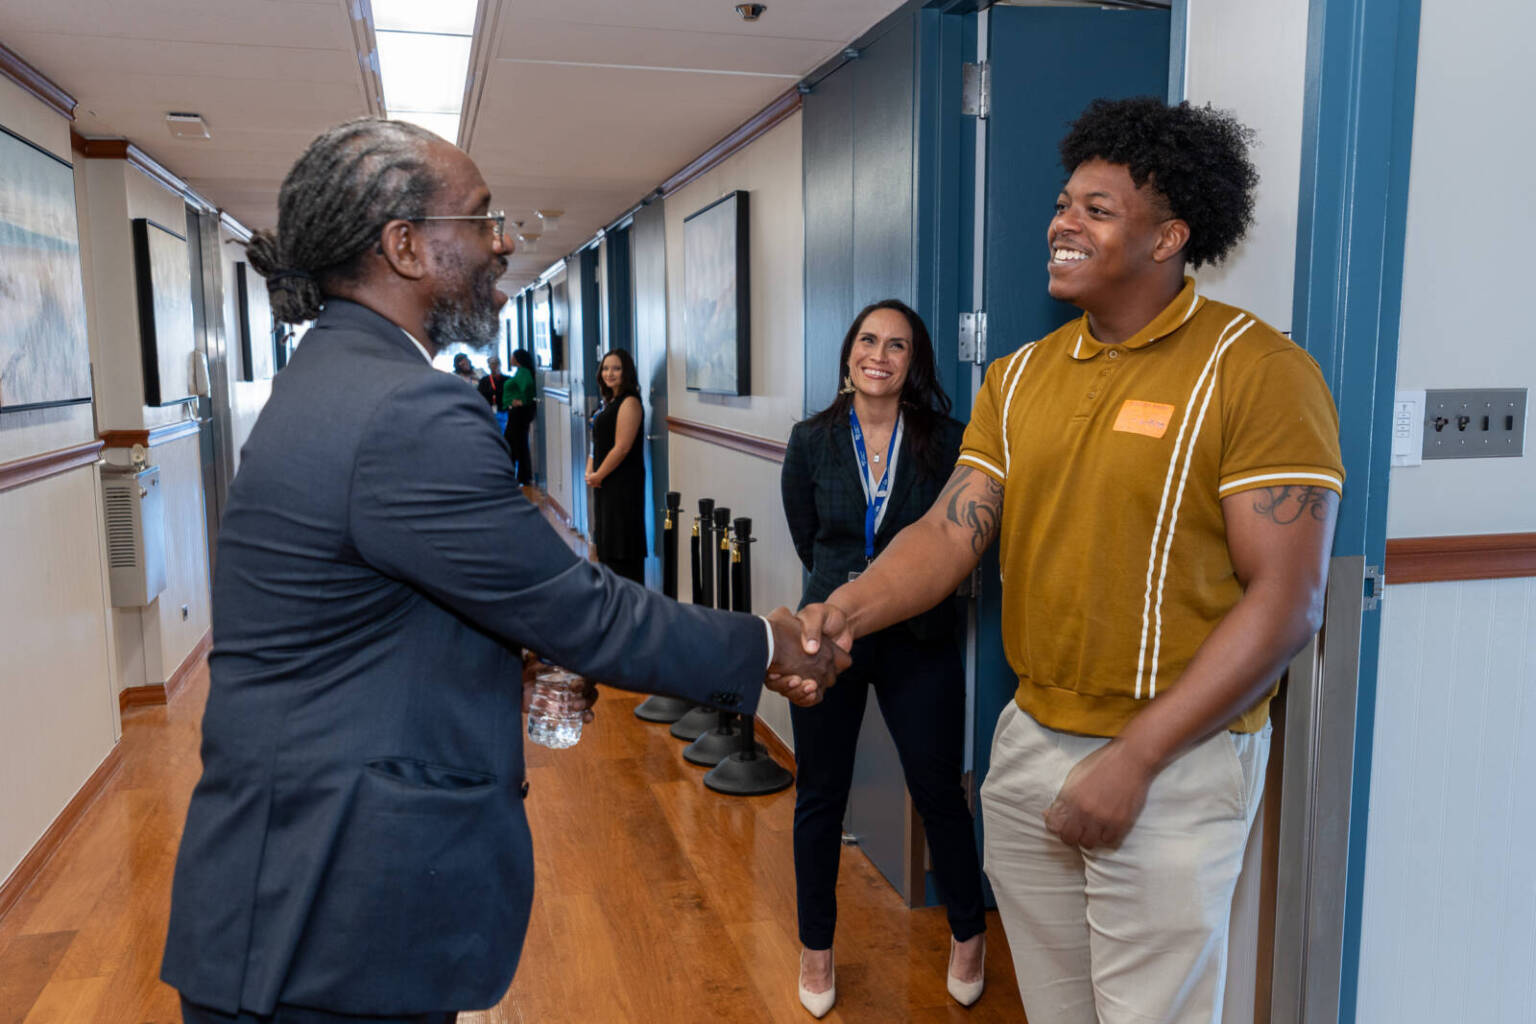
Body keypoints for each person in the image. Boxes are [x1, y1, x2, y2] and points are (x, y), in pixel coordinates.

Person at [160, 117, 844, 1024]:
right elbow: (580, 611)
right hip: (324, 922)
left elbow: (362, 609)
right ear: (405, 246)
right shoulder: (405, 407)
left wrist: (494, 654)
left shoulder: (332, 375)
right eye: (481, 220)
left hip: (293, 902)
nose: (505, 240)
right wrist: (768, 641)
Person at [793, 98, 1345, 1023]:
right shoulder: (1019, 378)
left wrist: (1136, 758)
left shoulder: (1259, 371)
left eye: (1096, 207)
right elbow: (945, 534)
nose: (1062, 222)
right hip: (1032, 749)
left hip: (1176, 762)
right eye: (1063, 202)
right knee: (1055, 1010)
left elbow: (1288, 600)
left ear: (1169, 235)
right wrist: (839, 614)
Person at [780, 300, 986, 1017]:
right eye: (868, 340)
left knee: (936, 791)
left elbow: (955, 539)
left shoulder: (948, 441)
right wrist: (845, 593)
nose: (880, 354)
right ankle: (816, 948)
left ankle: (968, 933)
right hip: (827, 639)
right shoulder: (811, 440)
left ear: (914, 363)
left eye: (897, 345)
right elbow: (810, 538)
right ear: (848, 354)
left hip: (920, 637)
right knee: (819, 796)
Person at [584, 349, 647, 584]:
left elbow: (622, 447)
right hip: (604, 481)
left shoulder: (629, 403)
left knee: (622, 542)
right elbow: (596, 441)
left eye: (617, 368)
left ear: (627, 372)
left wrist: (599, 473)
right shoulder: (608, 402)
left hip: (622, 483)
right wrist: (590, 471)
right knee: (606, 541)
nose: (610, 373)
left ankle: (629, 604)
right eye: (606, 368)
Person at [502, 348, 537, 486]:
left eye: (512, 357)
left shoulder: (523, 372)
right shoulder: (520, 372)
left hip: (519, 413)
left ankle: (512, 475)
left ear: (518, 359)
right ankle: (521, 476)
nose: (511, 359)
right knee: (519, 443)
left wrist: (522, 401)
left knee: (512, 442)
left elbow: (527, 386)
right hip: (517, 412)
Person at [476, 354, 509, 424]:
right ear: (489, 366)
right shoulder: (484, 381)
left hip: (504, 411)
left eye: (497, 363)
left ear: (500, 364)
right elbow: (480, 397)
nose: (495, 366)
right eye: (492, 364)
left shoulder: (507, 380)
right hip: (489, 412)